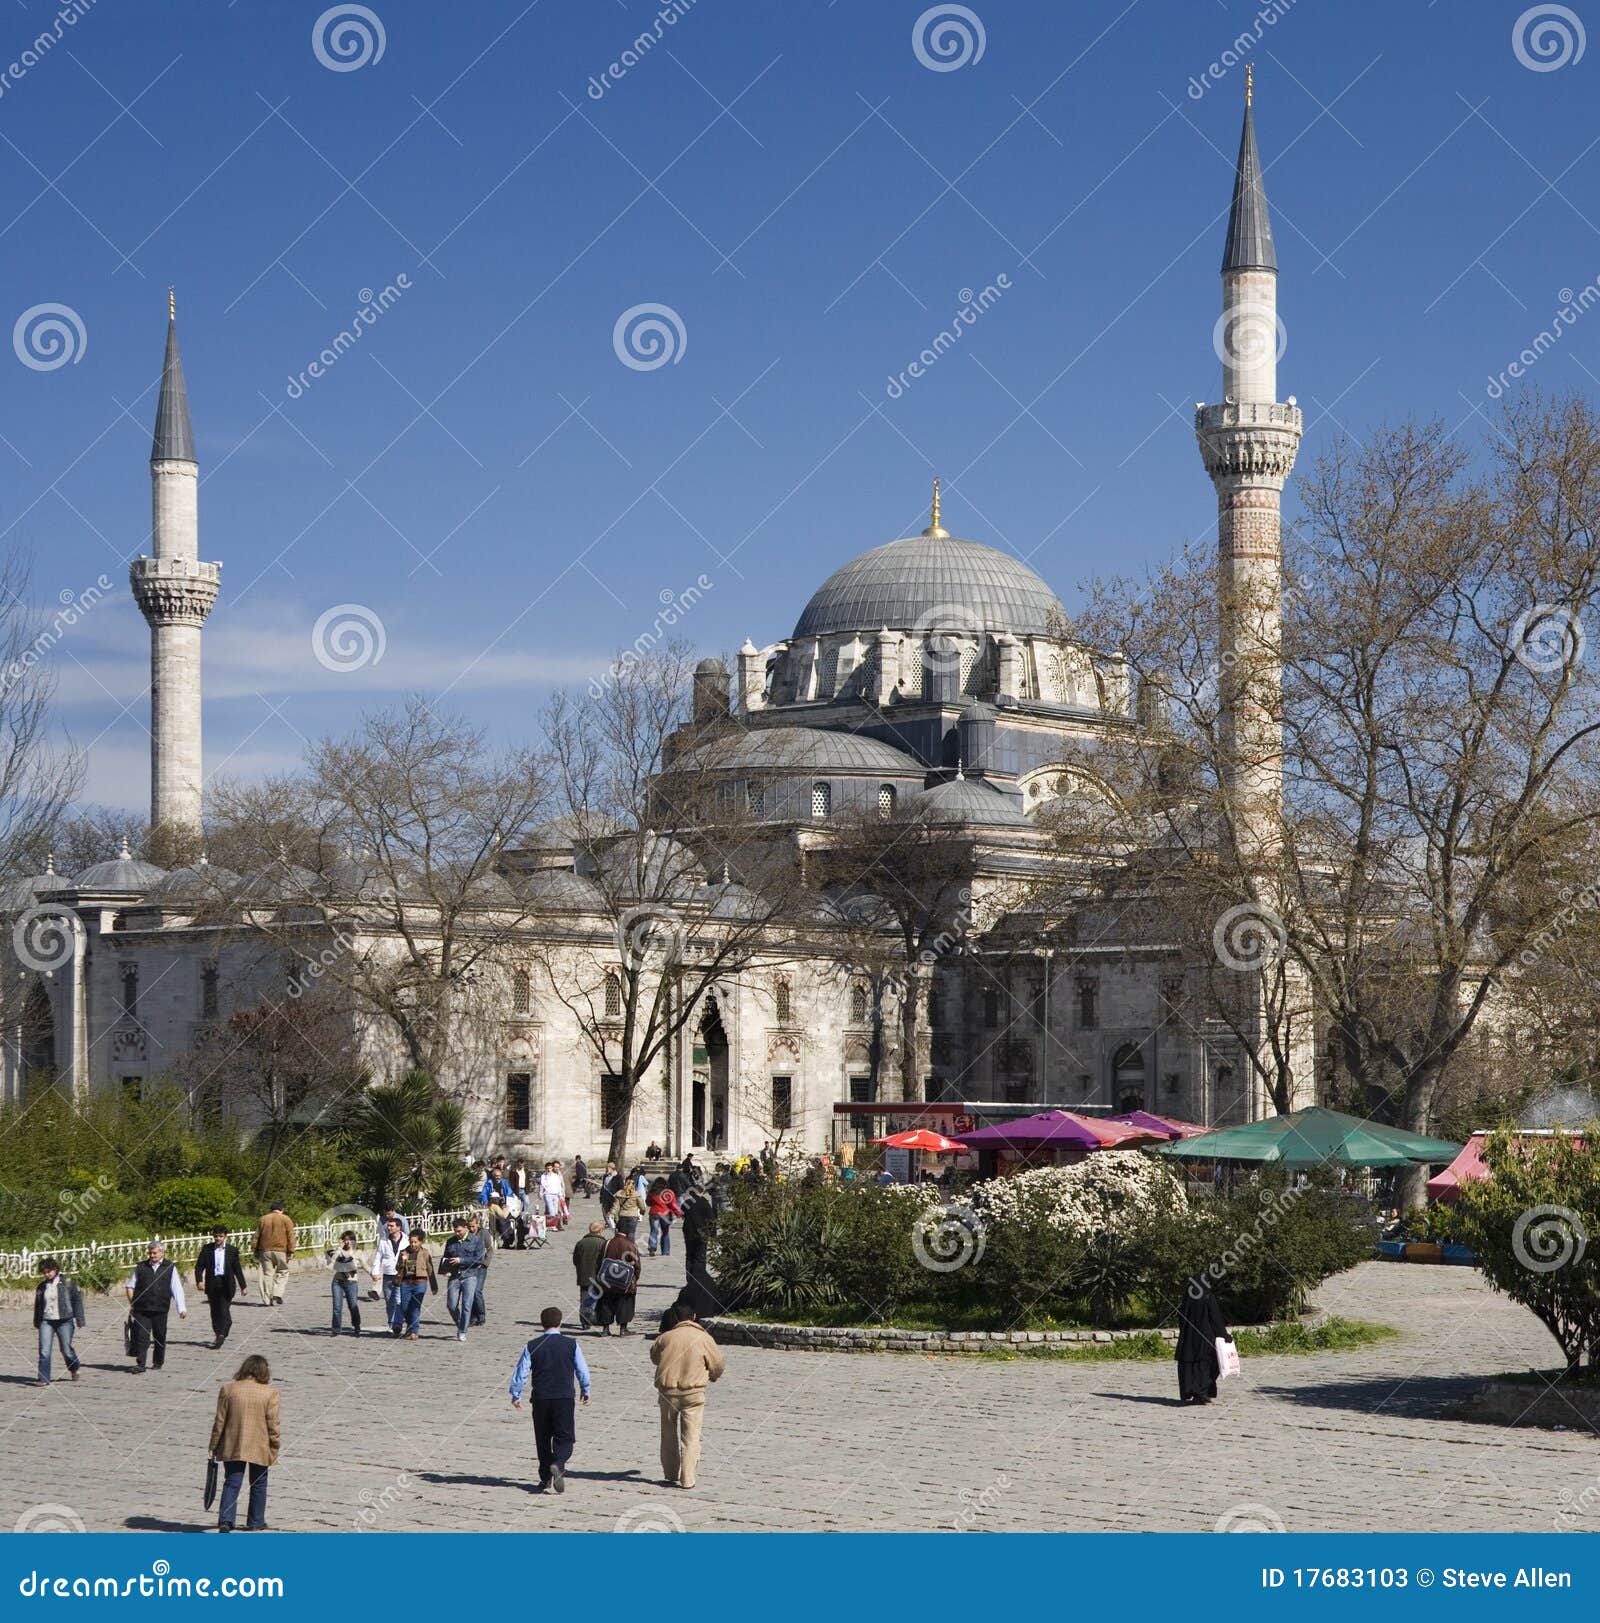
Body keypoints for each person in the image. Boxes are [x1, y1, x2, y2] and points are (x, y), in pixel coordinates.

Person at [509, 1307, 592, 1494]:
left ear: (542, 1323)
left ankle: (545, 1477)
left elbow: (521, 1372)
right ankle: (559, 1463)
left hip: (541, 1398)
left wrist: (516, 1394)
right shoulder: (571, 1344)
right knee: (565, 1436)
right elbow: (582, 1370)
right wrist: (585, 1389)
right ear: (560, 1322)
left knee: (543, 1437)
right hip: (564, 1397)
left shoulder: (532, 1345)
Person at [650, 1300, 725, 1489]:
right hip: (693, 1393)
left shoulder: (666, 1337)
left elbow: (654, 1356)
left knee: (667, 1432)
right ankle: (688, 1478)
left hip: (668, 1392)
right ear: (694, 1318)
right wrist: (713, 1376)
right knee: (691, 1436)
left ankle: (670, 1472)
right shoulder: (704, 1338)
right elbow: (717, 1364)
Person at [209, 1354, 280, 1533]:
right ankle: (255, 1521)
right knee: (259, 1483)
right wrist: (275, 1443)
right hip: (260, 1444)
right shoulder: (270, 1393)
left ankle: (226, 1520)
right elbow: (273, 1423)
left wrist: (213, 1445)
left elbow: (220, 1421)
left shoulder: (229, 1389)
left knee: (232, 1481)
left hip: (233, 1442)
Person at [124, 1239, 186, 1372]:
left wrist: (181, 1308)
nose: (152, 1255)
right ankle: (140, 1364)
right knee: (141, 1335)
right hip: (142, 1309)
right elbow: (130, 1286)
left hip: (160, 1308)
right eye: (150, 1253)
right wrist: (133, 1304)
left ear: (162, 1253)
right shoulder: (141, 1267)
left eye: (154, 1253)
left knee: (159, 1335)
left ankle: (158, 1362)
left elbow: (176, 1288)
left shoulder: (169, 1267)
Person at [1175, 1275, 1232, 1405]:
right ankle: (1202, 1392)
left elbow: (1181, 1318)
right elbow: (1215, 1318)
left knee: (1191, 1366)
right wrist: (1223, 1335)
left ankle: (1193, 1392)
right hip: (1206, 1338)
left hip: (1188, 1338)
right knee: (1206, 1365)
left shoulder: (1187, 1299)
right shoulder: (1208, 1297)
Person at [195, 1224, 249, 1349]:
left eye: (220, 1236)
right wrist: (199, 1281)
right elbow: (199, 1266)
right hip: (212, 1283)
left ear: (225, 1237)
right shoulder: (207, 1249)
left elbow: (237, 1269)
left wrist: (243, 1285)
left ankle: (222, 1334)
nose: (218, 1238)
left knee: (224, 1311)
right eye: (216, 1236)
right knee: (215, 1311)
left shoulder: (232, 1250)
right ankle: (218, 1333)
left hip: (227, 1284)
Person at [33, 1258, 85, 1386]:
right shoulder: (41, 1286)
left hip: (65, 1320)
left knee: (66, 1349)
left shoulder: (68, 1282)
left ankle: (74, 1367)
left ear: (55, 1269)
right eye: (44, 1272)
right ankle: (44, 1378)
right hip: (47, 1321)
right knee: (44, 1350)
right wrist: (37, 1321)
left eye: (49, 1271)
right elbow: (38, 1305)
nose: (47, 1274)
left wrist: (79, 1318)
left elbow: (77, 1300)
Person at [441, 1217, 486, 1341]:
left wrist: (462, 1260)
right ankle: (460, 1322)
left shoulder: (476, 1240)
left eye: (459, 1231)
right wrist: (446, 1270)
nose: (457, 1234)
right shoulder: (451, 1241)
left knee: (467, 1305)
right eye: (455, 1231)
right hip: (454, 1276)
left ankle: (463, 1330)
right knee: (451, 1305)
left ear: (466, 1228)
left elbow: (479, 1259)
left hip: (470, 1276)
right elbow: (446, 1257)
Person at [679, 1178, 720, 1314]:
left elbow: (682, 1213)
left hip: (689, 1233)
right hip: (701, 1234)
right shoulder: (704, 1203)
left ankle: (690, 1278)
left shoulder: (688, 1202)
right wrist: (713, 1234)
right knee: (700, 1258)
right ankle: (698, 1278)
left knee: (689, 1257)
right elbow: (711, 1219)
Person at [594, 1228, 641, 1336]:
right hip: (625, 1283)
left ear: (616, 1230)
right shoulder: (630, 1245)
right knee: (625, 1304)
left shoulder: (607, 1243)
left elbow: (599, 1261)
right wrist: (634, 1279)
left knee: (606, 1303)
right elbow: (637, 1265)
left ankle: (605, 1329)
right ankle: (623, 1329)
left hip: (608, 1281)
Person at [394, 1228, 437, 1339]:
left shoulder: (425, 1253)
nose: (413, 1244)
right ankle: (410, 1325)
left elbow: (430, 1269)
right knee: (404, 1307)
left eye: (415, 1242)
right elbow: (397, 1268)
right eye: (411, 1242)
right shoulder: (404, 1252)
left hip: (420, 1283)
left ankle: (414, 1331)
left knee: (415, 1307)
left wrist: (434, 1285)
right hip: (406, 1283)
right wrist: (402, 1262)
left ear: (421, 1242)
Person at [253, 1202, 295, 1307]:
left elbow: (256, 1236)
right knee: (283, 1271)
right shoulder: (286, 1219)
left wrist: (255, 1250)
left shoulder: (263, 1219)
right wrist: (291, 1251)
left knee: (267, 1274)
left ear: (271, 1209)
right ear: (282, 1209)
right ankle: (277, 1293)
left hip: (265, 1250)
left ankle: (267, 1300)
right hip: (281, 1250)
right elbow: (291, 1236)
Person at [327, 1231, 364, 1336]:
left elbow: (365, 1265)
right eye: (345, 1240)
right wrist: (339, 1249)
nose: (347, 1242)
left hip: (351, 1282)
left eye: (349, 1240)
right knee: (337, 1306)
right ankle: (336, 1329)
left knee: (353, 1305)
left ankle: (356, 1326)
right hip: (337, 1281)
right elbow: (331, 1262)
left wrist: (373, 1274)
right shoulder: (338, 1251)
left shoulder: (357, 1252)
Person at [571, 1220, 607, 1327]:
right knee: (597, 1298)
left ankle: (585, 1321)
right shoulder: (603, 1243)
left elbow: (575, 1259)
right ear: (600, 1230)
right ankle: (594, 1318)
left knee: (585, 1298)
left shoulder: (580, 1243)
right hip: (597, 1275)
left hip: (584, 1275)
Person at [372, 1217, 405, 1331]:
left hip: (401, 1275)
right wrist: (375, 1272)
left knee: (399, 1300)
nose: (389, 1228)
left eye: (391, 1226)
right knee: (389, 1300)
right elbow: (378, 1257)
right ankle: (391, 1323)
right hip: (388, 1274)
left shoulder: (406, 1240)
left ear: (399, 1227)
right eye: (388, 1226)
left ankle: (398, 1323)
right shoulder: (383, 1240)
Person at [646, 1177, 682, 1258]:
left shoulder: (652, 1192)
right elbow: (673, 1205)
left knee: (653, 1231)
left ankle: (652, 1247)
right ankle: (665, 1251)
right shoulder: (668, 1192)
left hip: (654, 1213)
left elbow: (648, 1203)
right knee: (665, 1232)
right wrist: (678, 1214)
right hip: (665, 1214)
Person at [468, 1213, 491, 1324]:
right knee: (470, 1291)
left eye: (473, 1226)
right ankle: (473, 1316)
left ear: (478, 1224)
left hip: (481, 1267)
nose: (471, 1229)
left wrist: (485, 1263)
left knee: (477, 1291)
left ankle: (481, 1315)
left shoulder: (484, 1233)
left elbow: (490, 1249)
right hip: (469, 1266)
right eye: (469, 1226)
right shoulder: (467, 1235)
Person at [613, 1175, 644, 1240]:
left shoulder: (620, 1194)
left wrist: (613, 1215)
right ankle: (631, 1247)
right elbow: (642, 1206)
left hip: (622, 1215)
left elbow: (616, 1206)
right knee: (631, 1233)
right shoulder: (636, 1194)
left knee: (622, 1234)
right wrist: (642, 1212)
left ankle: (622, 1246)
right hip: (633, 1216)